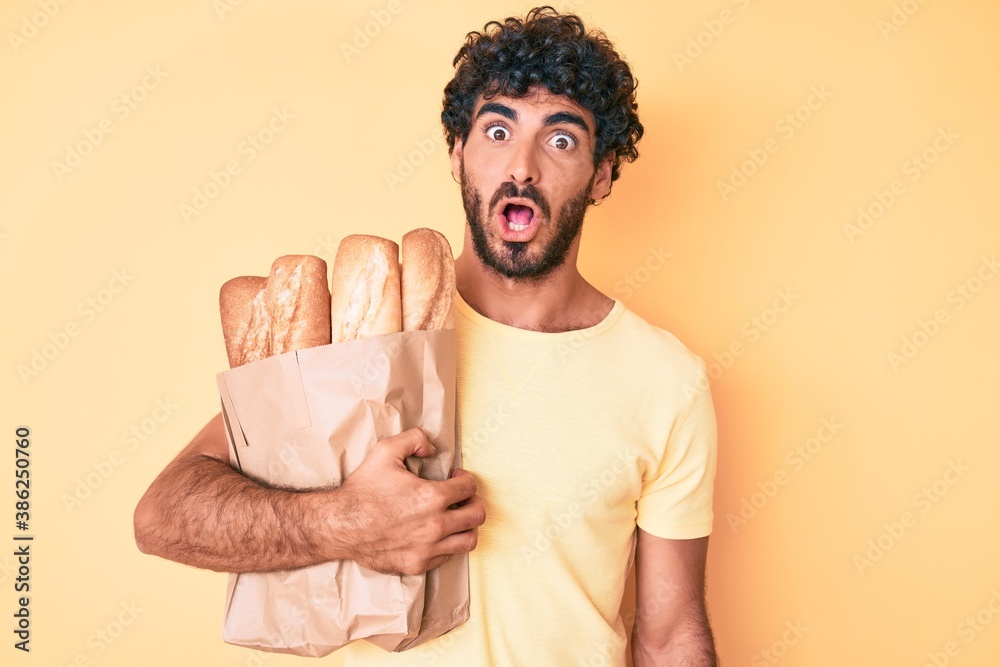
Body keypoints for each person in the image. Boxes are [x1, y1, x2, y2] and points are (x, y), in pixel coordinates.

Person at [134, 6, 719, 666]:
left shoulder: (667, 381)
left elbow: (670, 636)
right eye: (497, 130)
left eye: (561, 140)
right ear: (457, 153)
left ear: (603, 173)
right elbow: (164, 514)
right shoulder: (366, 335)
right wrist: (348, 522)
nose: (521, 167)